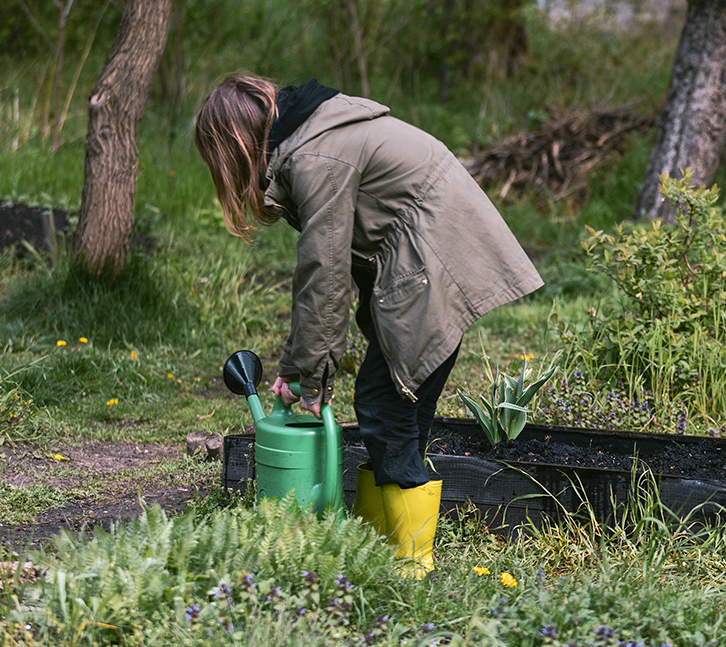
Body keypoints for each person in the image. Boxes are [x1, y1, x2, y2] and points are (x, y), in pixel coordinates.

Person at [194, 75, 543, 573]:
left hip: (433, 253)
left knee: (383, 407)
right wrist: (295, 366)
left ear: (234, 144)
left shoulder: (314, 158)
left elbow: (324, 272)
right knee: (401, 409)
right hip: (429, 251)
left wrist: (313, 378)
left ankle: (409, 563)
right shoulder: (310, 136)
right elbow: (331, 273)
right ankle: (381, 545)